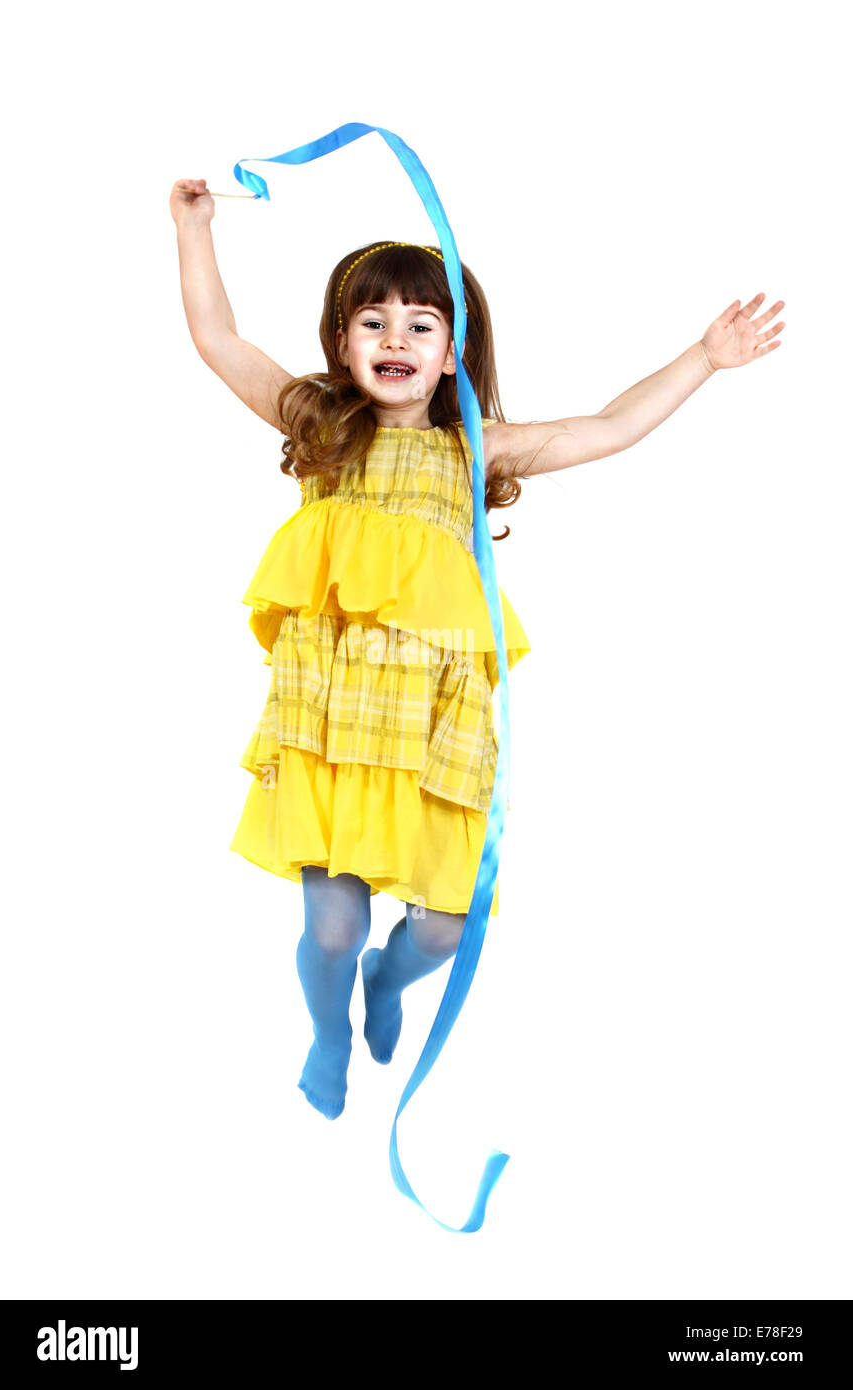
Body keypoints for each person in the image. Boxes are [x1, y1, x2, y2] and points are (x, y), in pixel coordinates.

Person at [170, 176, 785, 1124]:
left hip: (431, 728)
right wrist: (195, 227)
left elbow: (608, 428)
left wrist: (703, 358)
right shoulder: (323, 430)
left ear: (452, 350)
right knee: (328, 928)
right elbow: (218, 342)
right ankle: (330, 1027)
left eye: (421, 325)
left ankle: (390, 982)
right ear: (342, 344)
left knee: (449, 927)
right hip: (334, 724)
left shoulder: (474, 450)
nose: (395, 341)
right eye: (371, 322)